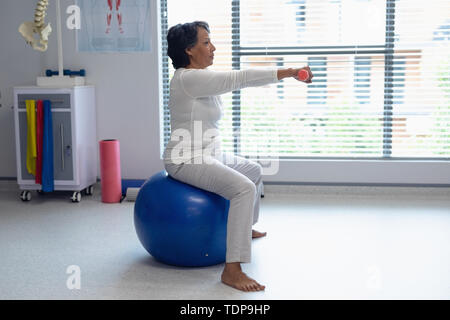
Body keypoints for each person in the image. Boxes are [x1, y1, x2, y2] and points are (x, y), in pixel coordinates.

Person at [163, 21, 313, 292]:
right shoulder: (188, 78)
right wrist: (289, 72)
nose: (213, 48)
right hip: (186, 158)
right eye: (206, 42)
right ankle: (232, 270)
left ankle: (245, 229)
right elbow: (239, 78)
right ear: (189, 50)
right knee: (243, 189)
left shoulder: (199, 78)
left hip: (209, 153)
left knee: (253, 170)